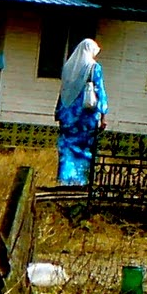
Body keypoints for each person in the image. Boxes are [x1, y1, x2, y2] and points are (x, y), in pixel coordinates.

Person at [53, 37, 108, 186]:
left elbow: (63, 91)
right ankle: (81, 180)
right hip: (86, 115)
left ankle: (65, 178)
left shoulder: (68, 68)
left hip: (67, 116)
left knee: (67, 146)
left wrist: (59, 112)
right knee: (84, 147)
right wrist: (103, 116)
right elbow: (99, 91)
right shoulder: (94, 67)